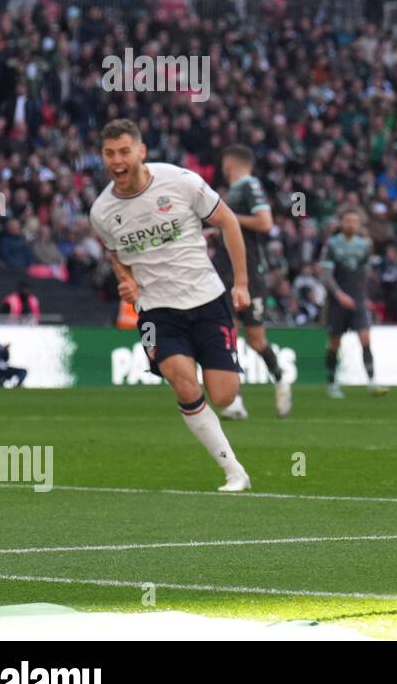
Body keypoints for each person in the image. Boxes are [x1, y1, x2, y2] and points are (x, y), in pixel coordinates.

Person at [89, 119, 252, 492]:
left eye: (124, 151)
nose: (117, 159)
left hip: (208, 299)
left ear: (141, 152)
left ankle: (228, 398)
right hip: (157, 310)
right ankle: (234, 471)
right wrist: (126, 280)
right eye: (110, 153)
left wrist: (241, 283)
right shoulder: (101, 213)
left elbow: (228, 222)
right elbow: (118, 257)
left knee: (224, 394)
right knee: (183, 385)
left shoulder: (180, 181)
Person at [213, 145, 292, 420]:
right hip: (223, 274)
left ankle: (281, 380)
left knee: (257, 340)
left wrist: (228, 219)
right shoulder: (232, 193)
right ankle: (235, 400)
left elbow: (265, 222)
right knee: (227, 336)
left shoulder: (249, 186)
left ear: (230, 164)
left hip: (248, 275)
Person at [320, 207, 387, 398]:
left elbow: (364, 273)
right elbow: (326, 275)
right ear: (341, 223)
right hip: (337, 302)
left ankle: (373, 381)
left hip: (357, 300)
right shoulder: (332, 245)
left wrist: (362, 295)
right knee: (334, 343)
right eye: (347, 220)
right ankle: (332, 384)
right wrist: (339, 295)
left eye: (354, 221)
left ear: (358, 224)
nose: (351, 224)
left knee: (366, 340)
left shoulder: (364, 245)